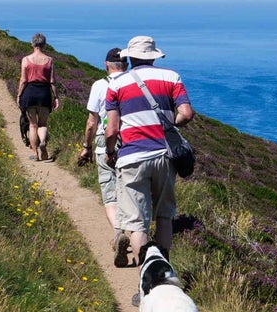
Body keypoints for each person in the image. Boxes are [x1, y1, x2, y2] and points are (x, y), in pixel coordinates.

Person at [104, 35, 194, 264]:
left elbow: (112, 129)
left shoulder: (116, 84)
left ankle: (145, 280)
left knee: (137, 224)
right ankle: (164, 273)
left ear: (130, 58)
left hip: (131, 157)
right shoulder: (171, 77)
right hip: (164, 156)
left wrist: (111, 152)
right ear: (153, 57)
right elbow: (186, 113)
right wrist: (168, 124)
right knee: (164, 217)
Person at [78, 48, 132, 265]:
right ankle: (136, 234)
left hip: (104, 140)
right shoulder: (133, 83)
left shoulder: (100, 85)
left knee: (110, 195)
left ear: (106, 65)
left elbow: (92, 121)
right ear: (126, 65)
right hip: (130, 140)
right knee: (129, 190)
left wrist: (86, 147)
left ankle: (118, 233)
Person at [16, 33, 59, 161]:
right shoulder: (49, 60)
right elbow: (52, 81)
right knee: (42, 123)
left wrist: (19, 95)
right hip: (44, 93)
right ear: (44, 44)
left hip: (30, 93)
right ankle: (43, 142)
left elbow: (23, 80)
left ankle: (35, 154)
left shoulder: (26, 60)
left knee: (32, 125)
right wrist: (56, 97)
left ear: (32, 43)